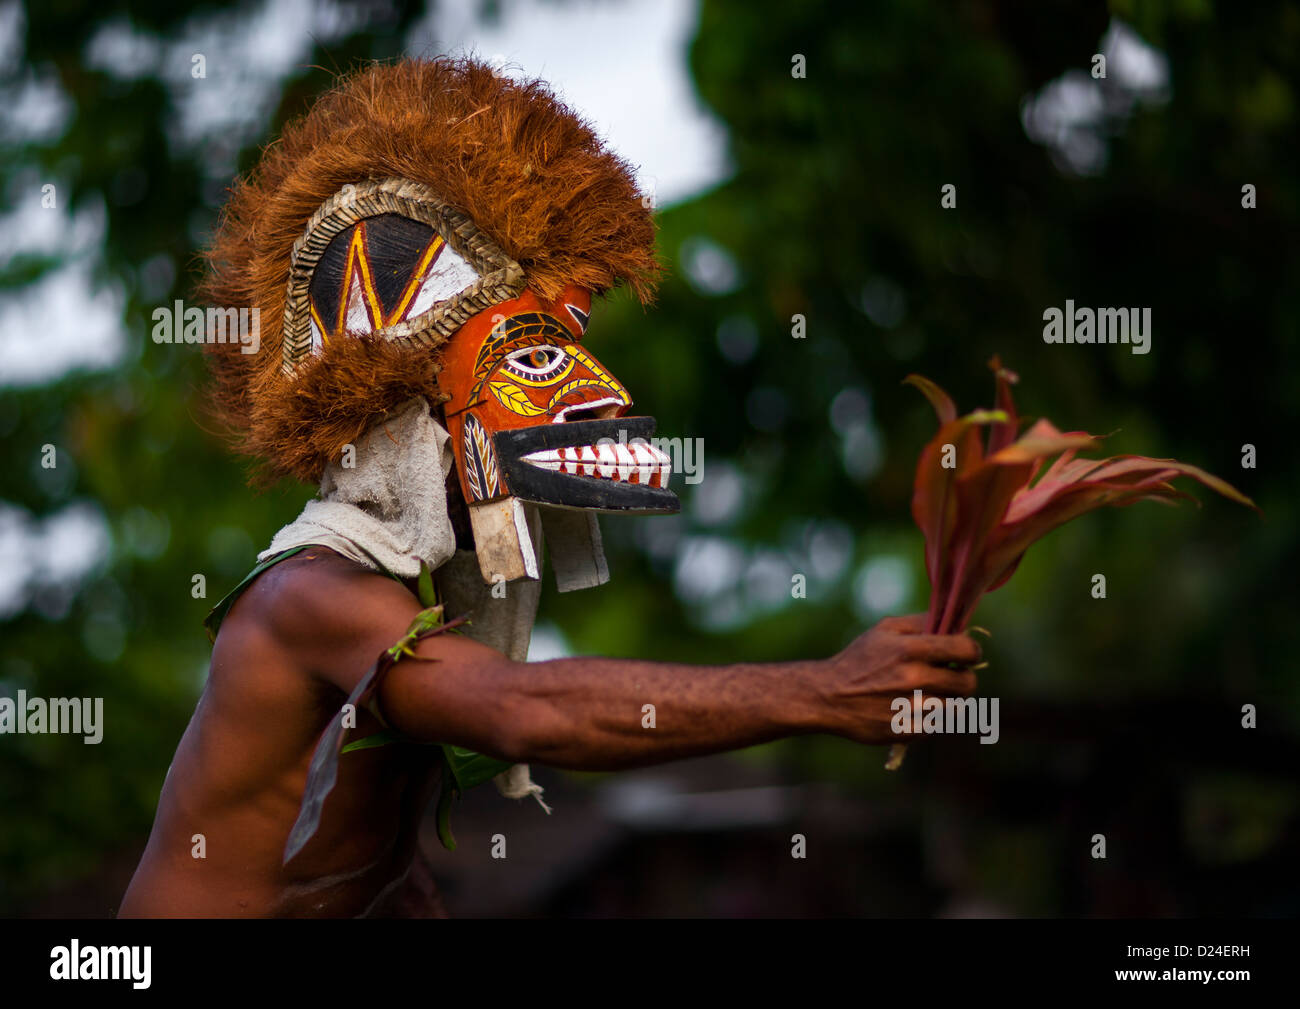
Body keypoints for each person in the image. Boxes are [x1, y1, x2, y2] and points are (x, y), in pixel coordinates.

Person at [119, 58, 979, 918]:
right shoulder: (309, 595)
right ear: (408, 422)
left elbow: (341, 849)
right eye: (519, 387)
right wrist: (821, 691)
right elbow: (522, 713)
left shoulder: (400, 593)